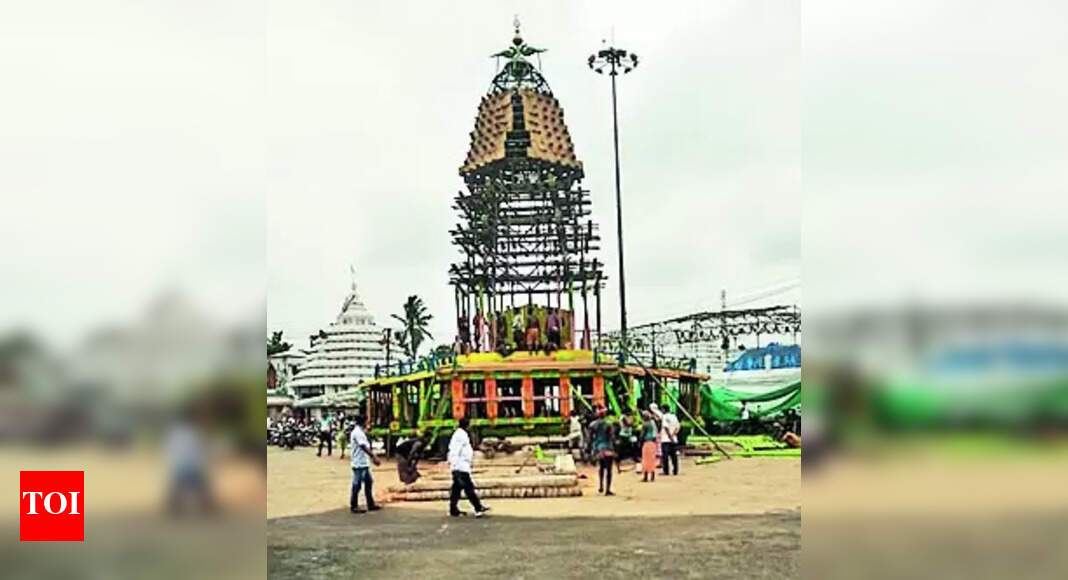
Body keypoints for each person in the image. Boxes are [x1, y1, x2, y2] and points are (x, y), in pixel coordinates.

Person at [447, 417, 490, 517]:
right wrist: (454, 464)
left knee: (456, 490)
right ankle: (478, 508)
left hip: (461, 466)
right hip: (460, 467)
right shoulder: (460, 435)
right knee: (468, 488)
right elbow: (455, 451)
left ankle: (453, 509)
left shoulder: (461, 434)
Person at [349, 413, 381, 513]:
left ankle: (370, 504)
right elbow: (363, 446)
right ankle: (354, 505)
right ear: (363, 421)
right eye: (367, 421)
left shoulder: (360, 431)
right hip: (359, 463)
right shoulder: (357, 432)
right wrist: (374, 456)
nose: (368, 422)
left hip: (364, 463)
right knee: (357, 484)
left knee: (368, 482)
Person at [588, 407, 616, 495]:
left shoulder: (593, 425)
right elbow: (612, 437)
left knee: (601, 468)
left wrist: (591, 449)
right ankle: (607, 489)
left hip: (598, 448)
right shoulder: (609, 424)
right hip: (608, 448)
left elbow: (590, 438)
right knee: (609, 470)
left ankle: (600, 486)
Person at [658, 405, 680, 476]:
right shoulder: (674, 416)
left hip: (665, 439)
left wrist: (670, 436)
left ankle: (666, 471)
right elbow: (678, 427)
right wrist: (674, 434)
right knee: (674, 456)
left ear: (663, 410)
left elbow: (666, 427)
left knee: (665, 456)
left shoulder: (665, 417)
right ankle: (675, 470)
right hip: (674, 439)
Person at [640, 410, 658, 482]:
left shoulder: (645, 424)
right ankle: (652, 476)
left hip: (647, 442)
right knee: (652, 459)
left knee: (645, 460)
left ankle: (645, 477)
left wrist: (640, 442)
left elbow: (642, 435)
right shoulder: (653, 423)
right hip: (653, 443)